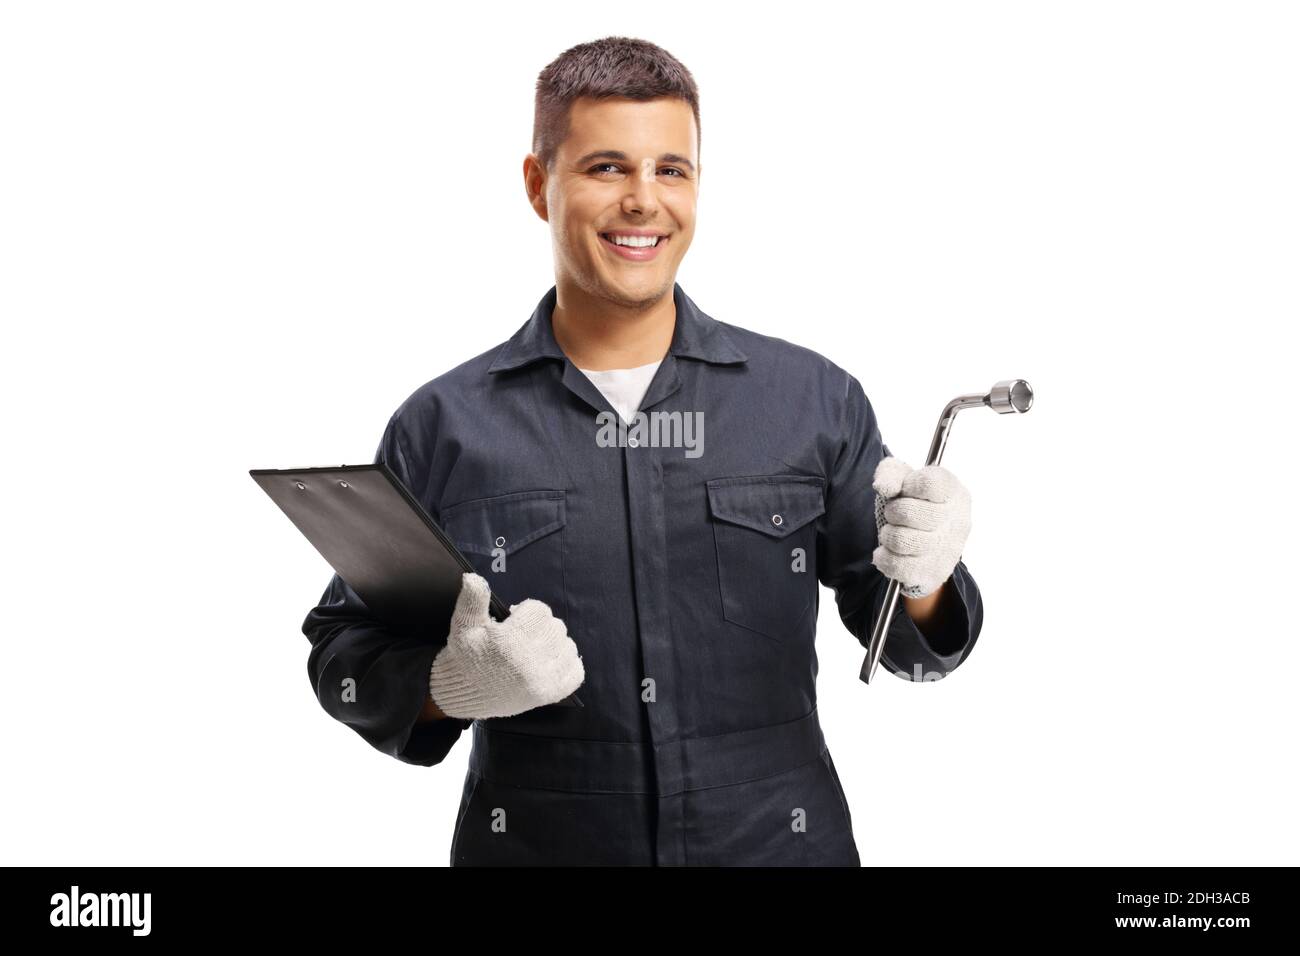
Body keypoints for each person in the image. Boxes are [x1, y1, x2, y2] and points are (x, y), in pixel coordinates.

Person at [301, 35, 983, 867]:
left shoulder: (811, 401)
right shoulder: (442, 426)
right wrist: (448, 687)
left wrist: (926, 575)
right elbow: (346, 647)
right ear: (536, 186)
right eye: (606, 168)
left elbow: (906, 646)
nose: (643, 202)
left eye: (672, 170)